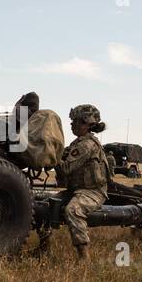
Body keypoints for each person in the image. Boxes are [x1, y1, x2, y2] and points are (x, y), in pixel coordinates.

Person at [49, 104, 110, 260]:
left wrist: (51, 154)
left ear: (86, 123)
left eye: (75, 121)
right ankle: (44, 247)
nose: (71, 125)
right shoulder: (78, 143)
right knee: (48, 205)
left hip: (92, 191)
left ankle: (84, 257)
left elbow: (65, 168)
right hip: (76, 190)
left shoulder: (86, 145)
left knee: (73, 210)